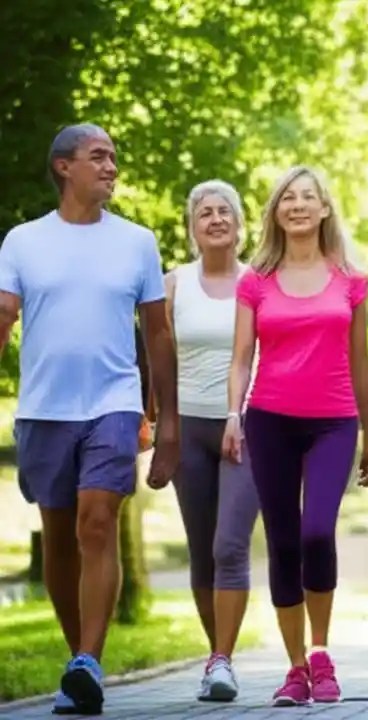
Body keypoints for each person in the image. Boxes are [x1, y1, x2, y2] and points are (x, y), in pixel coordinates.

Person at [0, 123, 179, 716]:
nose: (111, 167)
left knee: (96, 521)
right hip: (43, 407)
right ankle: (80, 659)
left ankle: (88, 661)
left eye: (114, 158)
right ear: (63, 167)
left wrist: (166, 418)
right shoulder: (22, 242)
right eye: (98, 157)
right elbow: (3, 317)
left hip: (114, 402)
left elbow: (157, 332)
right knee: (59, 537)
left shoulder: (137, 243)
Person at [223, 165, 368, 707]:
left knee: (317, 533)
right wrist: (233, 414)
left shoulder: (350, 278)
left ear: (324, 209)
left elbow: (361, 364)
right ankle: (294, 669)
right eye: (287, 198)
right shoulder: (255, 280)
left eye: (307, 197)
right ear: (276, 212)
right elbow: (241, 357)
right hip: (269, 420)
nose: (296, 205)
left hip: (334, 422)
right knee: (284, 542)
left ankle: (321, 651)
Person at [165, 180, 260, 701]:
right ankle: (217, 658)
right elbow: (158, 360)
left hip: (244, 429)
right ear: (192, 227)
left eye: (226, 211)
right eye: (205, 212)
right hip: (188, 430)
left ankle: (222, 660)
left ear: (241, 224)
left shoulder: (259, 282)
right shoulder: (173, 284)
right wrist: (156, 422)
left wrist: (243, 415)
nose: (216, 219)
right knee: (202, 549)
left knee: (229, 544)